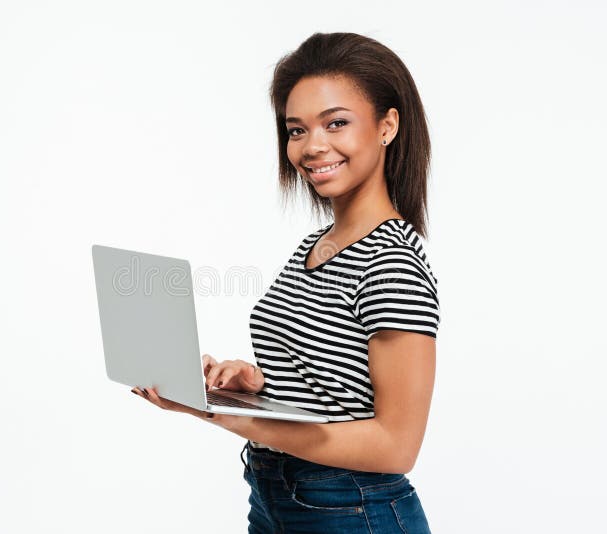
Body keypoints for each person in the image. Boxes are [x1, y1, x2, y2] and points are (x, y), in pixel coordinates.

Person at [131, 31, 440, 533]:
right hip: (274, 497)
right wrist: (252, 385)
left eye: (336, 123)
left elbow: (396, 445)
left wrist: (228, 418)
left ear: (387, 125)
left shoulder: (391, 261)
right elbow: (335, 388)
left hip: (352, 510)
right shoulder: (316, 245)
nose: (312, 146)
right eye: (297, 129)